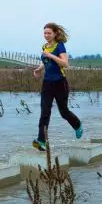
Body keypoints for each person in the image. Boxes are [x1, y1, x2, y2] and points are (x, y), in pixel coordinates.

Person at [32, 23, 83, 151]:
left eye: (49, 33)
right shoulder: (44, 47)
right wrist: (39, 69)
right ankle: (42, 141)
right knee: (45, 112)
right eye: (45, 33)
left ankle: (77, 125)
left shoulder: (59, 46)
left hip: (60, 83)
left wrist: (50, 55)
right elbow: (46, 62)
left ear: (55, 33)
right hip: (47, 83)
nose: (46, 35)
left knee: (63, 112)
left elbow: (65, 64)